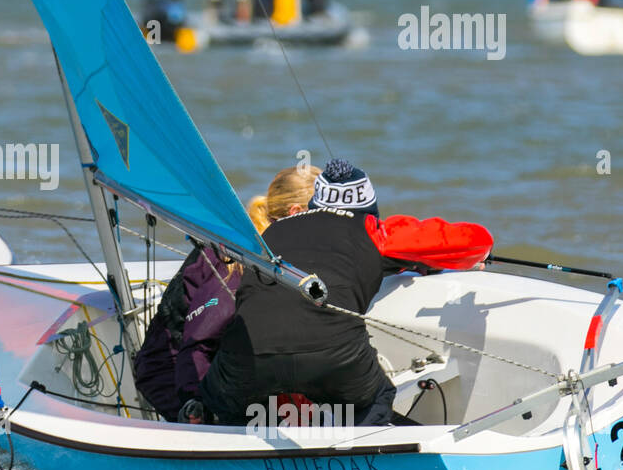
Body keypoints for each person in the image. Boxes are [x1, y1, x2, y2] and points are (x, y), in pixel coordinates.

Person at [197, 158, 493, 429]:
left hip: (249, 357)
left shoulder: (269, 233)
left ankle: (227, 442)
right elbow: (474, 240)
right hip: (334, 359)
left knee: (217, 396)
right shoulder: (376, 231)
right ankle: (359, 462)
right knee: (378, 396)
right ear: (369, 207)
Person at [133, 165, 320, 422]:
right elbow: (199, 343)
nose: (329, 228)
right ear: (296, 213)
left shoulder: (280, 256)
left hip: (225, 368)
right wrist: (196, 407)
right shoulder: (236, 262)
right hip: (174, 372)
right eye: (323, 217)